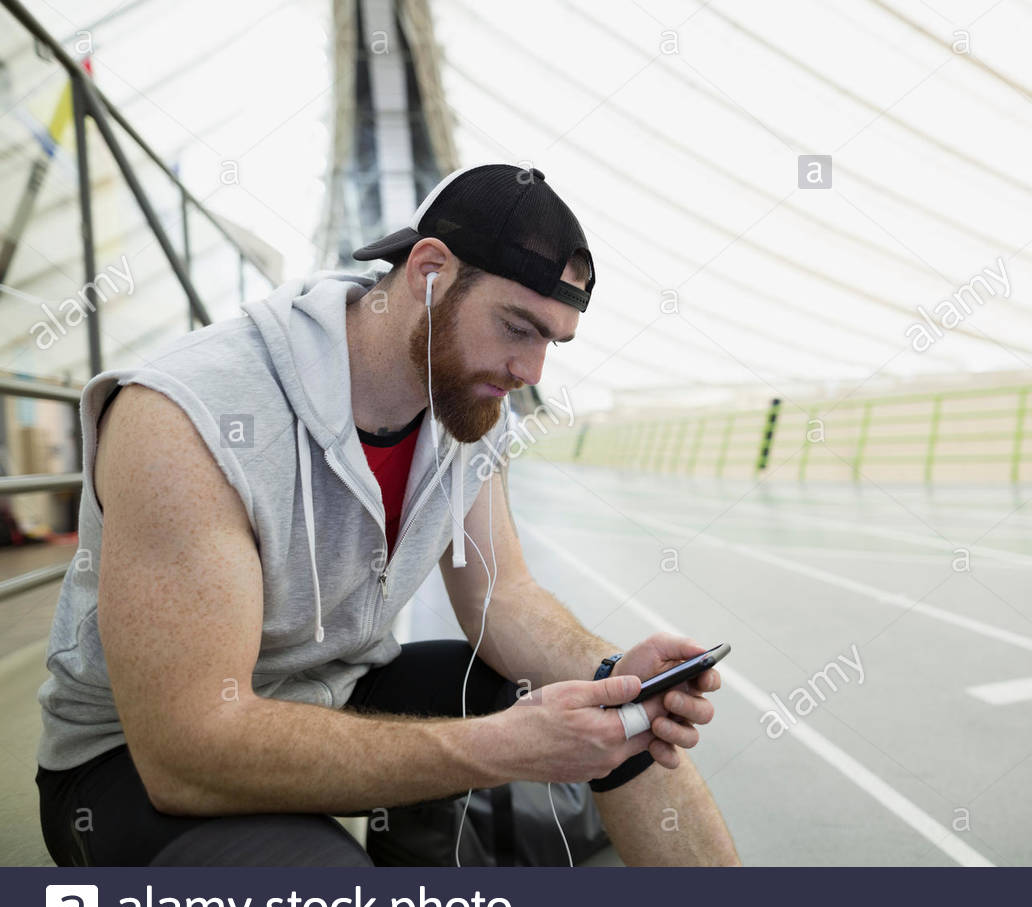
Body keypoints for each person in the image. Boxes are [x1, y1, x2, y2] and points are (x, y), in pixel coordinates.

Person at [34, 163, 741, 866]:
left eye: (549, 342)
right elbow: (188, 751)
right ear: (428, 270)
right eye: (517, 327)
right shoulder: (190, 415)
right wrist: (497, 746)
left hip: (334, 692)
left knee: (621, 721)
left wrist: (617, 674)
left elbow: (507, 600)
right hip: (132, 762)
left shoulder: (470, 401)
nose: (531, 371)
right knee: (325, 890)